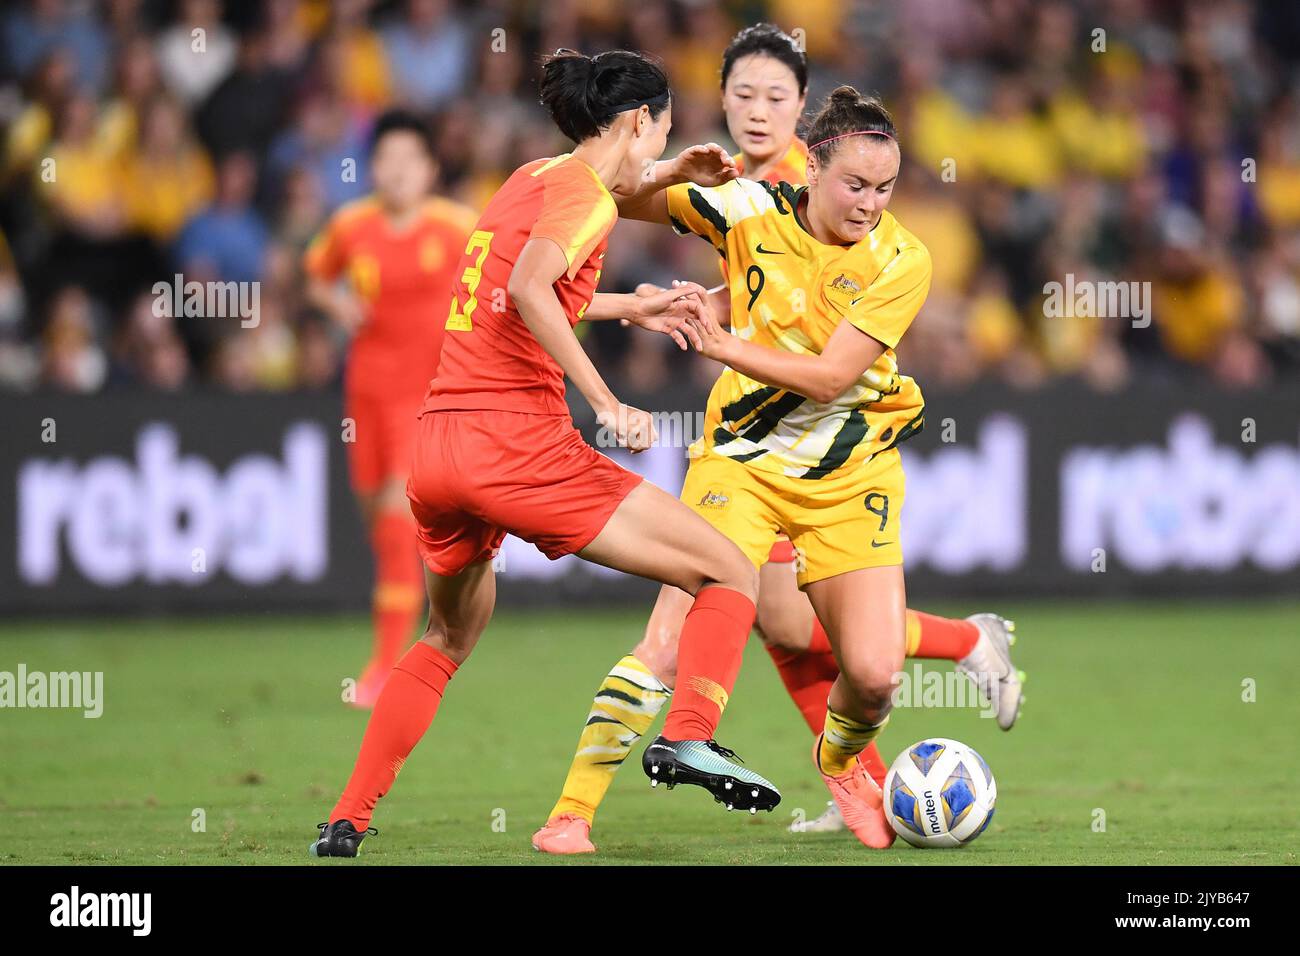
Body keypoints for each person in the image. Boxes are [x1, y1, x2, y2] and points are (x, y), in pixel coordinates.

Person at [534, 25, 1021, 855]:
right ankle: (598, 797)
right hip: (744, 462)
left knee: (859, 668)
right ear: (720, 101)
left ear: (801, 119)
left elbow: (831, 376)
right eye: (744, 94)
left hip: (848, 464)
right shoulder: (736, 198)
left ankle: (853, 753)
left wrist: (715, 335)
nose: (871, 203)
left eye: (885, 188)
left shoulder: (900, 257)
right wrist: (655, 169)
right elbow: (607, 191)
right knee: (698, 615)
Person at [310, 50, 780, 858]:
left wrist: (633, 296)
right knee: (730, 570)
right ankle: (688, 735)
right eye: (660, 128)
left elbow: (523, 278)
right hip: (518, 446)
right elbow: (533, 287)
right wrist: (608, 403)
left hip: (439, 447)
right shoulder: (586, 198)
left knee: (446, 639)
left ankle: (346, 819)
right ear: (638, 119)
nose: (658, 147)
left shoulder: (531, 177)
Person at [304, 110, 477, 707]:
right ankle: (435, 632)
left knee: (395, 520)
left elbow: (495, 289)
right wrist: (336, 305)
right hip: (365, 397)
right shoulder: (351, 226)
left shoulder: (458, 228)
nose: (398, 171)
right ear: (372, 167)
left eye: (410, 160)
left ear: (430, 168)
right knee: (379, 523)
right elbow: (316, 278)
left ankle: (383, 670)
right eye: (387, 160)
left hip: (427, 398)